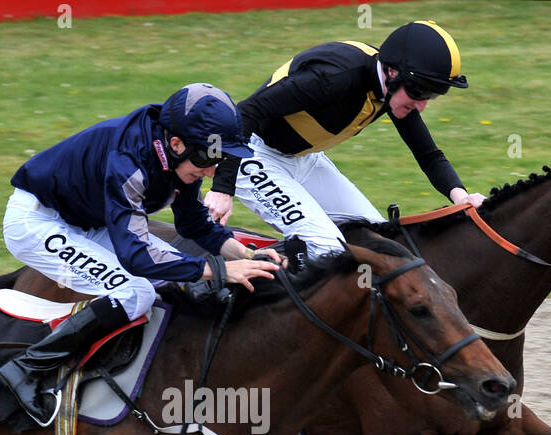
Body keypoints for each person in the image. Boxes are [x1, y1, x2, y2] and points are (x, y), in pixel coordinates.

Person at [0, 82, 280, 426]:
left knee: (175, 278)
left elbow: (194, 223)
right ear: (176, 144)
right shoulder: (129, 161)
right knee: (135, 291)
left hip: (90, 221)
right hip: (38, 222)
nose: (210, 172)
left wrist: (245, 256)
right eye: (208, 160)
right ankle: (26, 369)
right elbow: (138, 258)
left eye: (218, 161)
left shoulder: (176, 149)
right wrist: (219, 269)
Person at [205, 20, 486, 257]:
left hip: (304, 160)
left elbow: (428, 155)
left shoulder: (392, 88)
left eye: (431, 96)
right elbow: (245, 113)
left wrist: (462, 199)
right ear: (392, 72)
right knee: (328, 248)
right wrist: (222, 187)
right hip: (253, 155)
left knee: (384, 246)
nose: (422, 105)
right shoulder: (334, 77)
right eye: (421, 94)